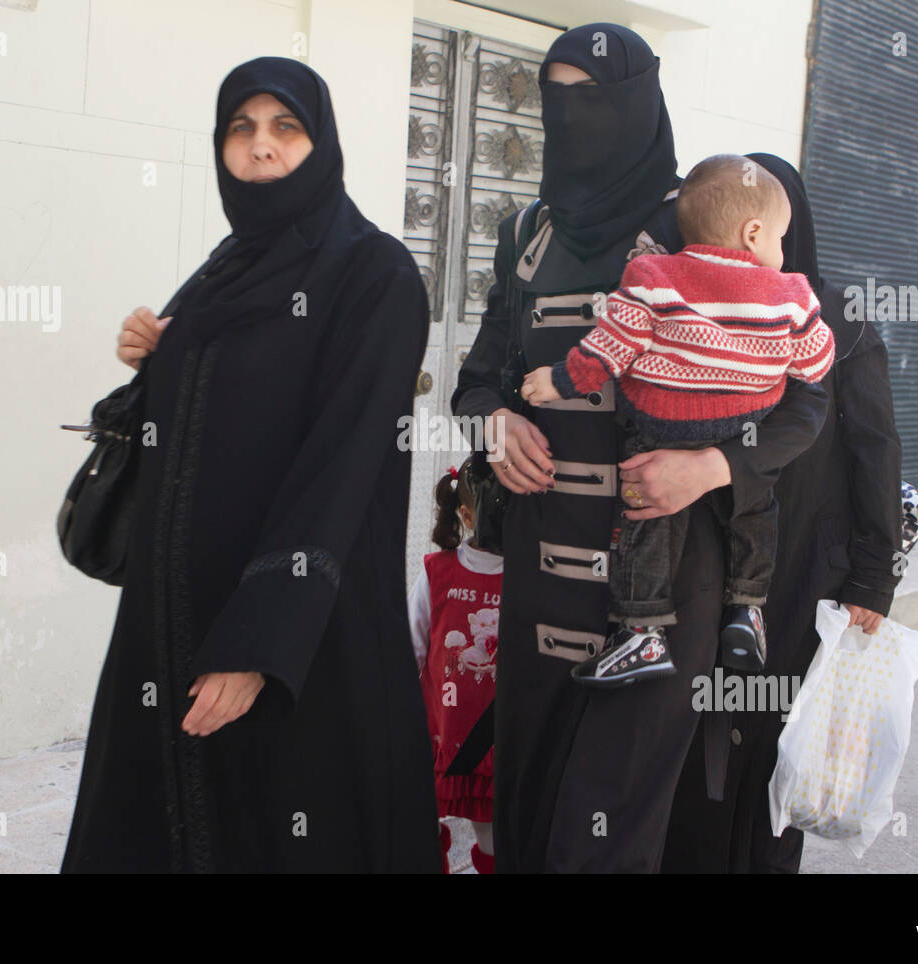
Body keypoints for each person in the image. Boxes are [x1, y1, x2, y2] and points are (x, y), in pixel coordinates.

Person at [452, 24, 830, 873]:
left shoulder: (699, 225)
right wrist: (493, 424)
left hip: (666, 586)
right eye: (554, 98)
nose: (569, 117)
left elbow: (808, 403)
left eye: (591, 97)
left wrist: (713, 466)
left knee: (615, 826)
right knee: (529, 810)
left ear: (638, 102)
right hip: (541, 579)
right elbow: (480, 378)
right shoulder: (528, 237)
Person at [61, 57, 439, 873]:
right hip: (171, 623)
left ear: (322, 141)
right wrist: (152, 360)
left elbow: (340, 469)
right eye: (242, 129)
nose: (260, 149)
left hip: (304, 635)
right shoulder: (222, 270)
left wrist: (259, 645)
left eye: (285, 127)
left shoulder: (374, 277)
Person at [660, 152, 903, 873]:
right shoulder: (701, 316)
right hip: (709, 565)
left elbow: (877, 457)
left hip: (802, 572)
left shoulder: (842, 331)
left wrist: (872, 580)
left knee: (772, 745)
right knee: (696, 735)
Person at [522, 155, 835, 685]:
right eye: (780, 238)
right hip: (744, 426)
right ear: (753, 233)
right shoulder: (791, 293)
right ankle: (749, 608)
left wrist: (559, 380)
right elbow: (815, 363)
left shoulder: (651, 276)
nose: (783, 251)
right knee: (756, 507)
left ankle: (642, 634)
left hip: (661, 425)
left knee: (646, 517)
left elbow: (610, 351)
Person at [408, 458, 502, 874]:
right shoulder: (436, 572)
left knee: (495, 844)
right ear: (467, 516)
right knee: (421, 834)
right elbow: (408, 647)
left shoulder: (529, 575)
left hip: (491, 745)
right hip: (437, 737)